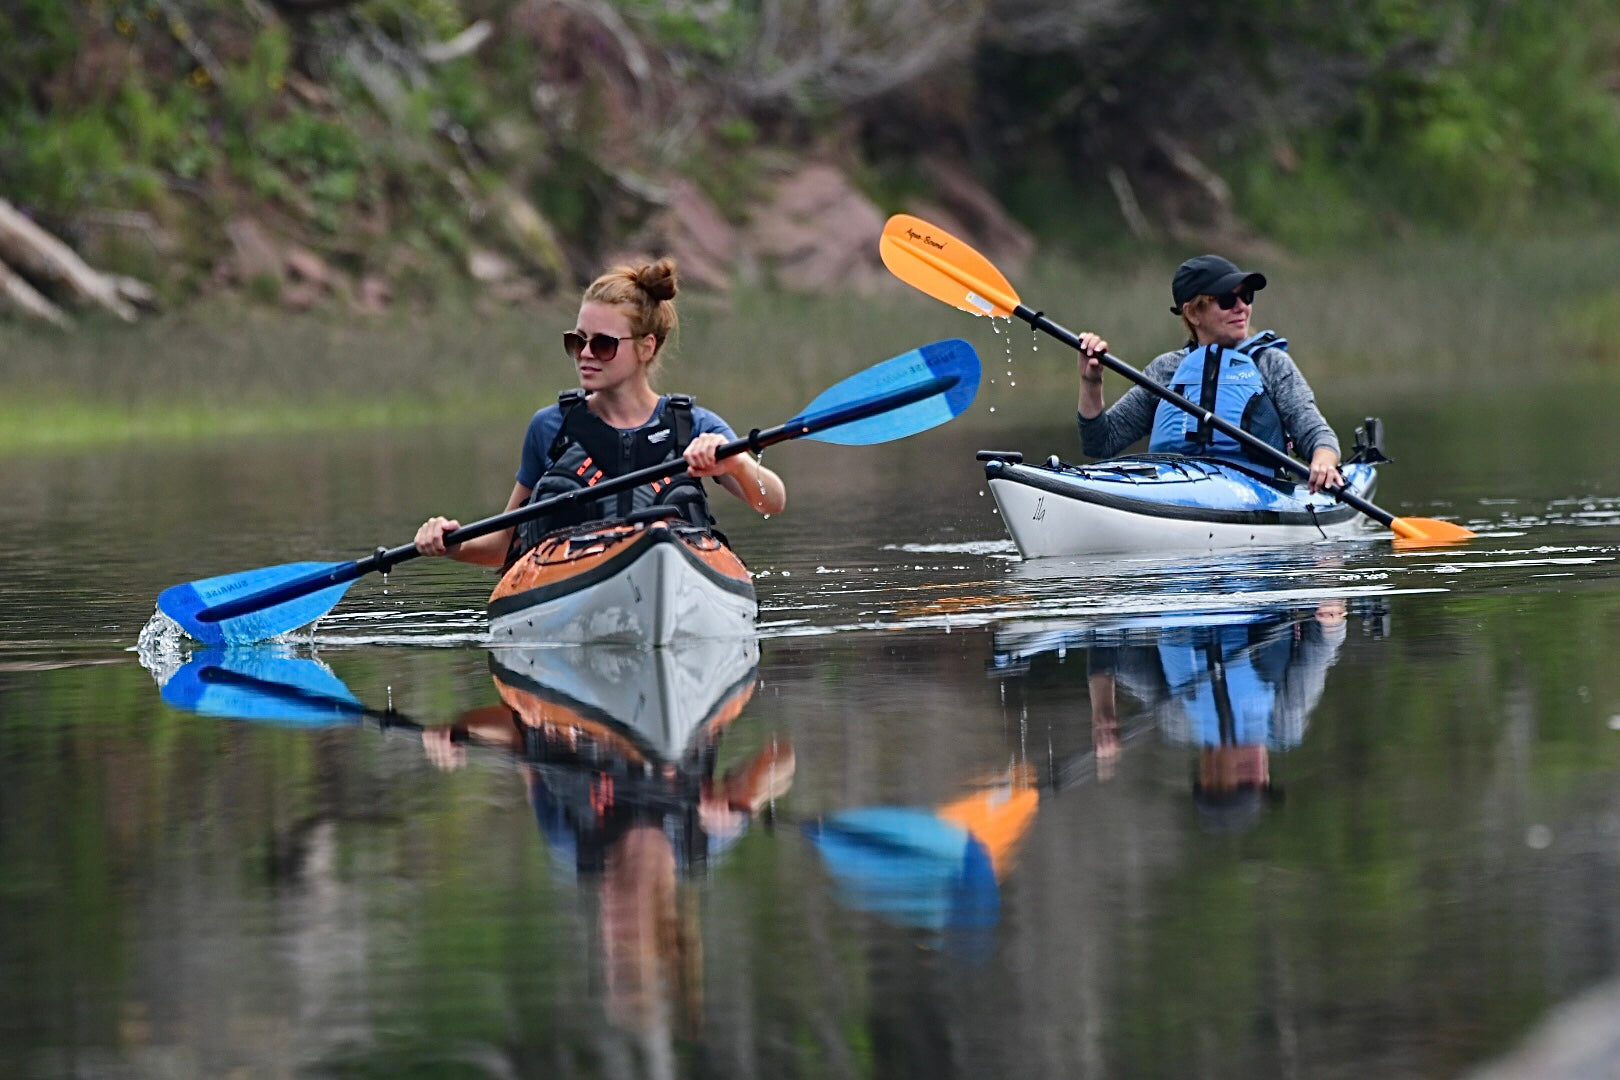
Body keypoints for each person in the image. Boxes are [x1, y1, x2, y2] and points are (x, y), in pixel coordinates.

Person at [414, 257, 786, 565]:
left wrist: (734, 462)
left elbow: (772, 501)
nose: (586, 354)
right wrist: (454, 544)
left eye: (604, 344)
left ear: (646, 347)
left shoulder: (694, 427)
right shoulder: (551, 427)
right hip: (568, 579)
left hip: (676, 576)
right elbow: (501, 546)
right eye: (578, 341)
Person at [1074, 254, 1344, 493]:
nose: (1242, 307)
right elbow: (1101, 443)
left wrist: (1323, 460)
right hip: (1174, 489)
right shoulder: (1167, 369)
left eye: (1246, 296)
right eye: (1227, 300)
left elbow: (1317, 435)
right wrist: (1091, 382)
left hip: (1256, 492)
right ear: (1193, 313)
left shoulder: (1270, 364)